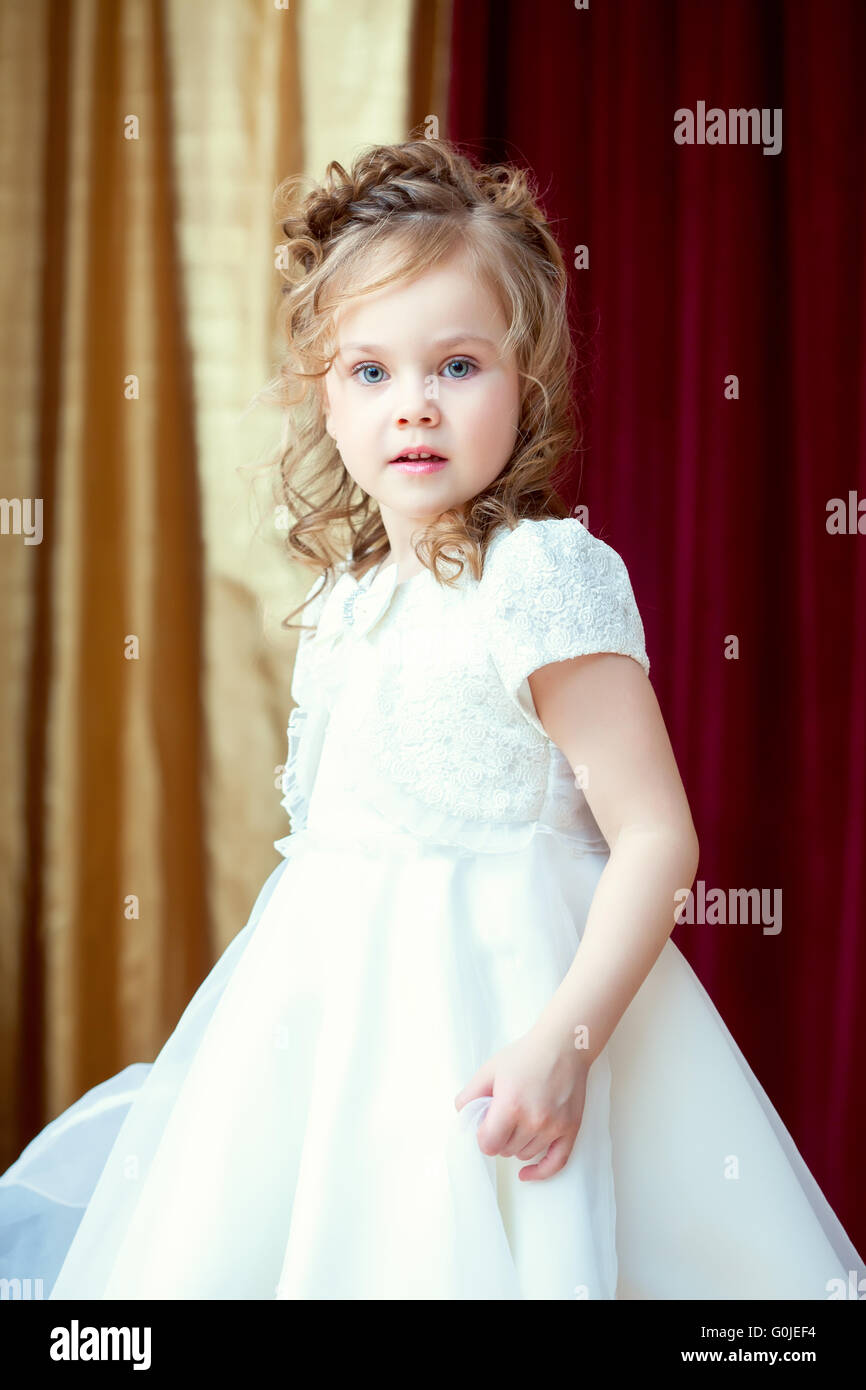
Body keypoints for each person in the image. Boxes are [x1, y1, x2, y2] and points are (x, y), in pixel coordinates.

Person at [1, 137, 862, 1300]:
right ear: (323, 390)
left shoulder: (543, 573)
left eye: (456, 366)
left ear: (525, 380)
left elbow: (658, 841)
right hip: (334, 1046)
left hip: (510, 1026)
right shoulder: (346, 598)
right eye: (369, 373)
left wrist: (558, 1051)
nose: (412, 406)